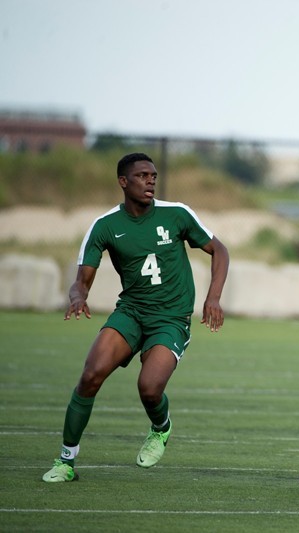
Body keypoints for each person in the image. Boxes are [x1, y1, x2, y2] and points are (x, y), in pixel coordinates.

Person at [42, 152, 230, 482]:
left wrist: (213, 297)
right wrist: (77, 297)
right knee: (90, 376)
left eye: (153, 176)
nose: (150, 181)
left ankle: (161, 427)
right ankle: (66, 461)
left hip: (170, 318)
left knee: (149, 388)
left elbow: (220, 250)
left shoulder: (176, 214)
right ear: (123, 182)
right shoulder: (105, 226)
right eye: (142, 176)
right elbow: (81, 280)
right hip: (131, 312)